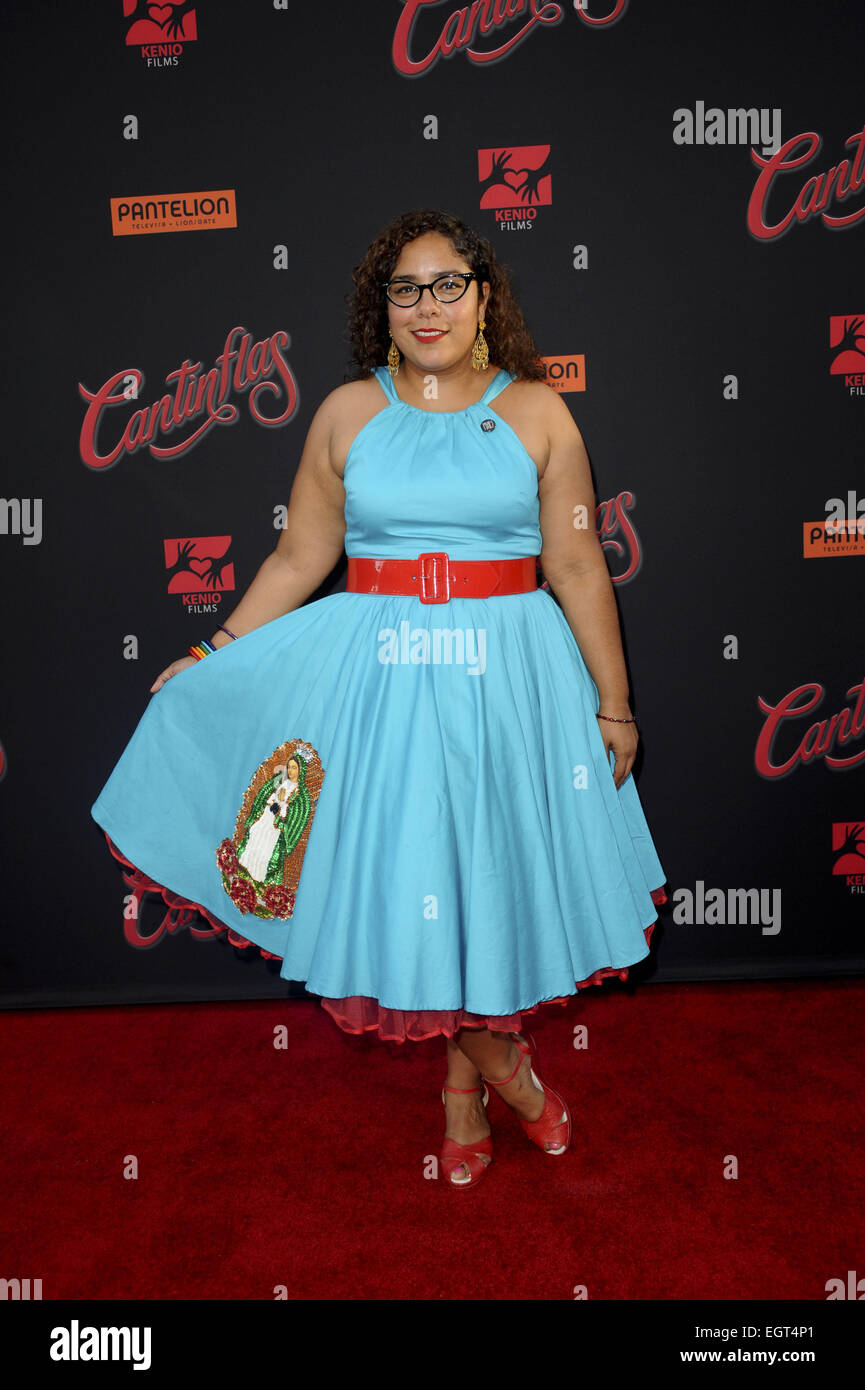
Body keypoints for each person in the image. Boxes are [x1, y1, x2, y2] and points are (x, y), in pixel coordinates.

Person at [92, 208, 665, 1189]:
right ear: (382, 309)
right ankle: (505, 1076)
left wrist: (613, 704)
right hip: (384, 683)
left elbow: (574, 560)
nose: (428, 305)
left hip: (509, 683)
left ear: (484, 299)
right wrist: (213, 645)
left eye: (448, 284)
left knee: (481, 884)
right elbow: (301, 555)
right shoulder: (347, 414)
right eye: (406, 288)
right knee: (418, 888)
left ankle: (460, 1096)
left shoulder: (538, 411)